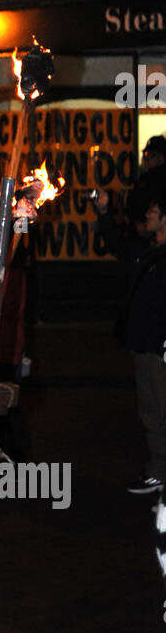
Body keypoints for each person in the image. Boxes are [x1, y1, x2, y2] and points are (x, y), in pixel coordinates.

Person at [120, 186, 166, 496]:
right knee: (152, 413)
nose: (147, 215)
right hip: (145, 346)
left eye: (153, 210)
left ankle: (160, 471)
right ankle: (159, 471)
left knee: (159, 412)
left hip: (159, 351)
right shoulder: (151, 251)